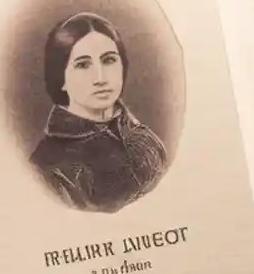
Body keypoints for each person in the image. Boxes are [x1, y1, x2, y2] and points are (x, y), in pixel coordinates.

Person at [30, 12, 168, 213]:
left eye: (109, 60)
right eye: (83, 65)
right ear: (61, 78)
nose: (100, 77)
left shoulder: (146, 140)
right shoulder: (50, 169)